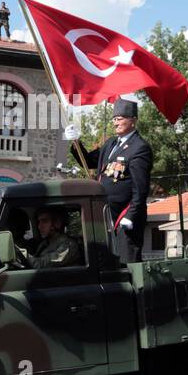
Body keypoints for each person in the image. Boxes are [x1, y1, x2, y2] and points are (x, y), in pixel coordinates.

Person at [65, 98, 151, 263]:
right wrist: (76, 143)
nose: (115, 122)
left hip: (124, 218)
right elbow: (90, 161)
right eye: (114, 119)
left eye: (119, 118)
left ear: (133, 121)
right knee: (106, 263)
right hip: (105, 214)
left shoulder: (140, 147)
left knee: (126, 264)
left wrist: (132, 215)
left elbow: (140, 188)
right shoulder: (111, 143)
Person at [14, 208, 82, 269]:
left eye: (44, 221)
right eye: (39, 222)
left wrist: (22, 254)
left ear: (57, 223)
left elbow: (42, 265)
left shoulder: (68, 245)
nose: (40, 226)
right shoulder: (45, 243)